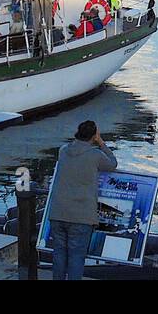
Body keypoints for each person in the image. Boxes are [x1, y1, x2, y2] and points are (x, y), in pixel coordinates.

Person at [48, 120, 118, 281]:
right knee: (76, 257)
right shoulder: (95, 155)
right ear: (93, 137)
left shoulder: (63, 150)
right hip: (81, 216)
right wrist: (101, 143)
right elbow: (113, 164)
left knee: (59, 253)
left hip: (58, 212)